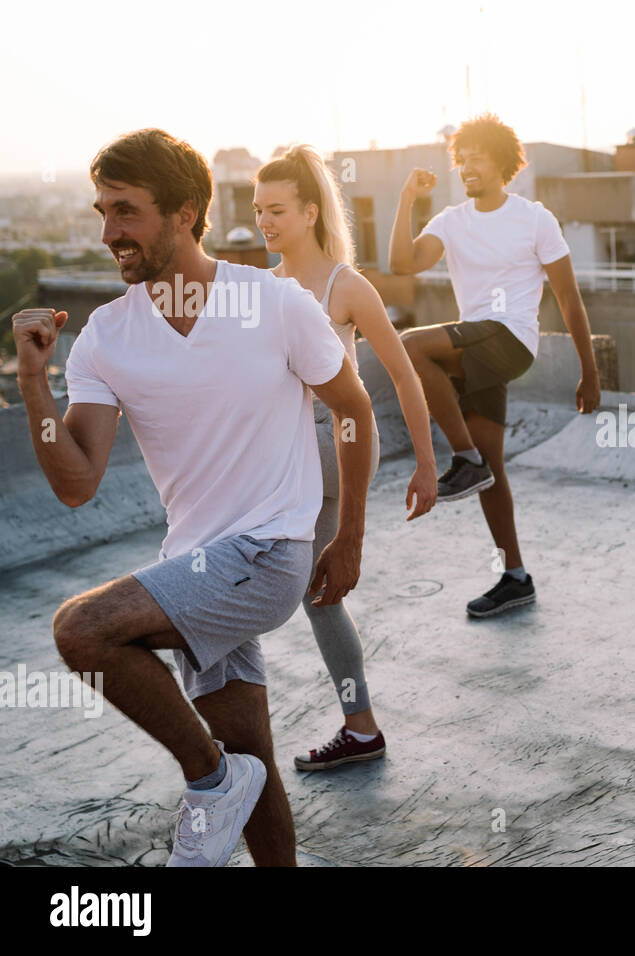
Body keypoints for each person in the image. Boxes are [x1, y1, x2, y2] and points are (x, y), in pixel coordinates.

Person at [12, 129, 374, 866]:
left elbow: (354, 408)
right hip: (195, 566)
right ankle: (229, 780)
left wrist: (350, 536)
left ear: (184, 213)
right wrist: (31, 385)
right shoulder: (106, 336)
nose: (108, 232)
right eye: (101, 212)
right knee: (254, 764)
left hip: (269, 555)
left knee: (82, 630)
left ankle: (206, 781)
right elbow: (77, 483)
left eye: (126, 211)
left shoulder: (275, 303)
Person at [254, 146, 438, 770]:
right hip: (285, 451)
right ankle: (356, 728)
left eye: (276, 210)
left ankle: (352, 728)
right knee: (313, 592)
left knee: (307, 589)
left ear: (310, 212)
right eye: (258, 210)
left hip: (335, 447)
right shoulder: (267, 286)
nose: (265, 222)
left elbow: (403, 375)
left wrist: (426, 460)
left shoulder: (345, 286)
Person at [390, 114, 601, 617]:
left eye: (477, 157)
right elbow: (403, 264)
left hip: (511, 339)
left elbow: (569, 299)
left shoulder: (535, 219)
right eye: (461, 159)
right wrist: (406, 200)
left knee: (413, 346)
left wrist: (590, 371)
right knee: (492, 471)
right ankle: (515, 576)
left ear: (502, 162)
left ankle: (464, 458)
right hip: (475, 348)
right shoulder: (451, 221)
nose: (467, 167)